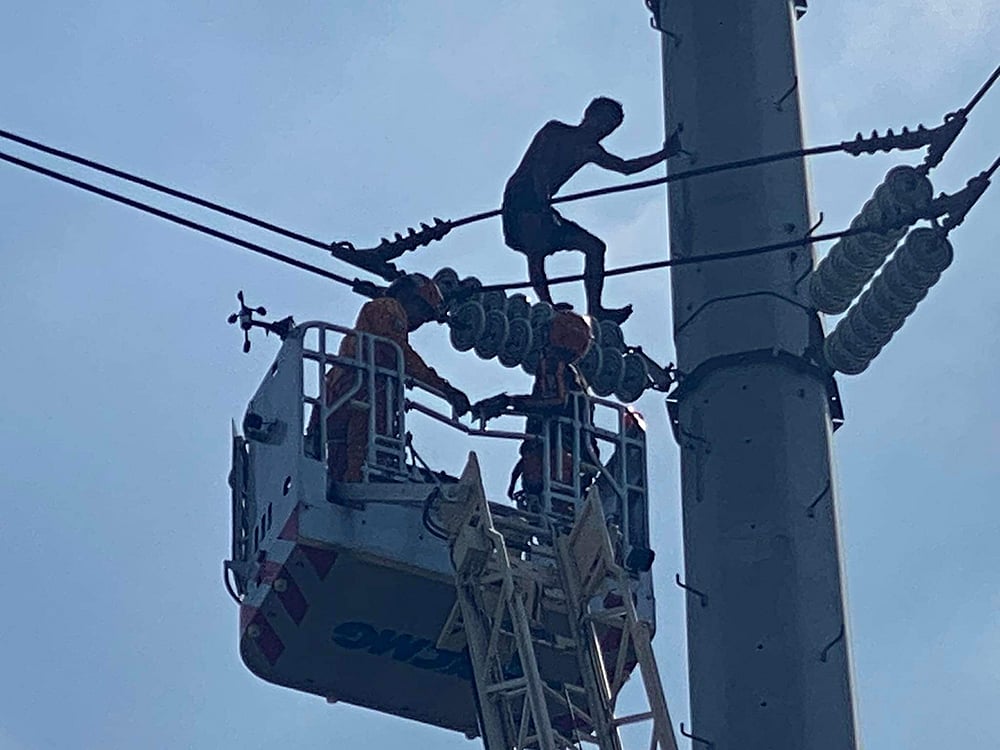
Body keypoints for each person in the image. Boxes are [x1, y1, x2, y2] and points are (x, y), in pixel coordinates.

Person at [501, 97, 682, 324]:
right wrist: (543, 207)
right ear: (589, 115)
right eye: (603, 121)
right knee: (536, 248)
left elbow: (625, 167)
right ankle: (547, 305)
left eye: (611, 127)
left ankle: (595, 308)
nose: (604, 130)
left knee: (594, 247)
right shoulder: (555, 131)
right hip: (522, 199)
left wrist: (665, 154)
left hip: (543, 204)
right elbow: (540, 169)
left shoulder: (591, 150)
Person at [309, 274, 470, 483]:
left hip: (343, 394)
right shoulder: (388, 307)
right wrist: (445, 389)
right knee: (360, 463)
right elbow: (400, 353)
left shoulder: (379, 315)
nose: (420, 320)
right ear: (407, 296)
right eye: (422, 310)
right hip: (360, 396)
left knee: (338, 469)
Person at [471, 310, 595, 512]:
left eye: (548, 330)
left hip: (555, 455)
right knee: (552, 509)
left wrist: (509, 402)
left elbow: (556, 403)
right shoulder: (576, 379)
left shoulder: (554, 365)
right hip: (563, 457)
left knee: (548, 507)